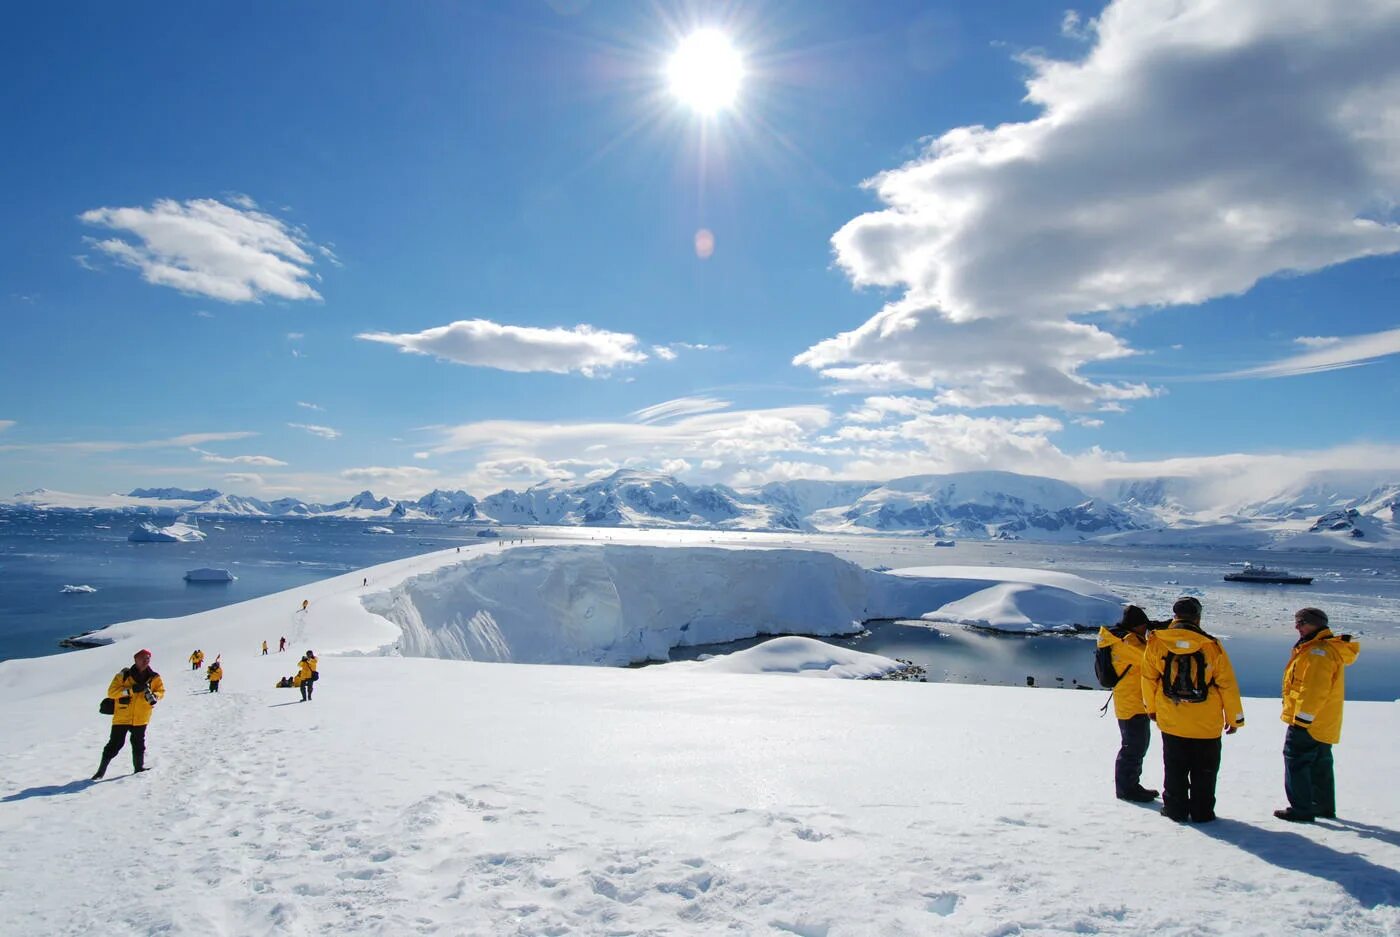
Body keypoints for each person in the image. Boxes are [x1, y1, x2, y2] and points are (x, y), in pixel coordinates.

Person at [1140, 597, 1245, 823]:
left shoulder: (1157, 642)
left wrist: (1151, 709)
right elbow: (1227, 684)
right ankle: (1202, 811)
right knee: (1204, 771)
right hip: (1206, 722)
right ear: (1198, 617)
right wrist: (1235, 719)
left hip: (1171, 717)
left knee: (1175, 768)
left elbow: (1148, 679)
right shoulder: (1210, 645)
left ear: (1175, 615)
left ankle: (1175, 809)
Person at [1275, 607, 1360, 823]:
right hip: (1323, 721)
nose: (1297, 627)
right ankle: (1321, 806)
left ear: (1316, 624)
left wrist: (1302, 720)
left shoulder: (1317, 652)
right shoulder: (1322, 648)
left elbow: (1314, 689)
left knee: (1297, 761)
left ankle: (1302, 809)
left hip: (1308, 721)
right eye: (1297, 623)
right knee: (1320, 763)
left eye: (1302, 623)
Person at [1096, 605, 1161, 803]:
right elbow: (1152, 658)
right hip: (1132, 703)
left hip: (1131, 701)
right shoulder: (1127, 642)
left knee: (1135, 746)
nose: (1146, 629)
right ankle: (1127, 789)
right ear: (1136, 626)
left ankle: (1130, 785)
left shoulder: (1120, 637)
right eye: (1144, 626)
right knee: (1133, 747)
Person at [92, 649, 166, 779]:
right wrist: (130, 691)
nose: (145, 661)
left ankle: (138, 768)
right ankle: (100, 771)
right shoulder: (124, 675)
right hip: (122, 716)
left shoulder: (154, 677)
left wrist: (155, 696)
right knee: (115, 744)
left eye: (148, 659)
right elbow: (112, 693)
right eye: (143, 658)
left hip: (141, 717)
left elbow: (161, 691)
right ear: (135, 659)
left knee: (139, 744)